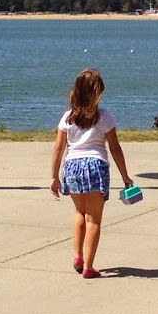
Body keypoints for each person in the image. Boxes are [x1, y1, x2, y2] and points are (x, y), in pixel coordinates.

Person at [50, 69, 133, 279]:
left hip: (72, 167)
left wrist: (54, 177)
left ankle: (77, 256)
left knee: (80, 213)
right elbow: (115, 148)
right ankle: (88, 266)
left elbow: (58, 148)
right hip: (96, 166)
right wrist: (125, 177)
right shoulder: (104, 117)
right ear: (98, 94)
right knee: (93, 220)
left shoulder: (67, 118)